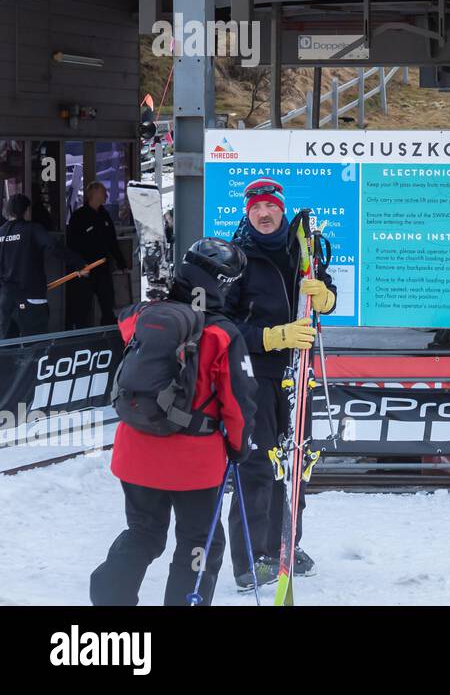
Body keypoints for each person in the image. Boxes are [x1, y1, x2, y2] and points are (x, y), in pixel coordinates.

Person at [89, 238, 257, 606]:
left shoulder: (145, 316)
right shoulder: (222, 334)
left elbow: (124, 320)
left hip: (135, 451)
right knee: (200, 544)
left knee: (144, 532)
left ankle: (109, 595)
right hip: (194, 465)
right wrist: (240, 448)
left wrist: (161, 295)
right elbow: (239, 403)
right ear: (222, 284)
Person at [225, 177, 336, 589]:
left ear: (280, 208)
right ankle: (251, 557)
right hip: (254, 375)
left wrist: (325, 296)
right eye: (256, 209)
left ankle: (284, 545)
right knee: (257, 465)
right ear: (248, 212)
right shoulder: (236, 257)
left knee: (294, 463)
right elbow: (221, 324)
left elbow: (329, 293)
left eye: (270, 207)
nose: (264, 214)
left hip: (298, 371)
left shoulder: (301, 249)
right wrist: (272, 336)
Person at [0, 193, 87, 338]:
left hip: (5, 299)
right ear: (26, 210)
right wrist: (79, 264)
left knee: (7, 348)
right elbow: (53, 246)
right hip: (31, 297)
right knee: (36, 345)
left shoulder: (1, 233)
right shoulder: (32, 229)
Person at [66, 181, 128, 328]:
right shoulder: (79, 216)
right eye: (102, 192)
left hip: (104, 269)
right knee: (82, 308)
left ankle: (108, 339)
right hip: (85, 269)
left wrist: (121, 262)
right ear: (93, 194)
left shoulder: (104, 215)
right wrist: (79, 265)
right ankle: (81, 340)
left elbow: (112, 241)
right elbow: (72, 244)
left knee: (108, 306)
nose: (106, 195)